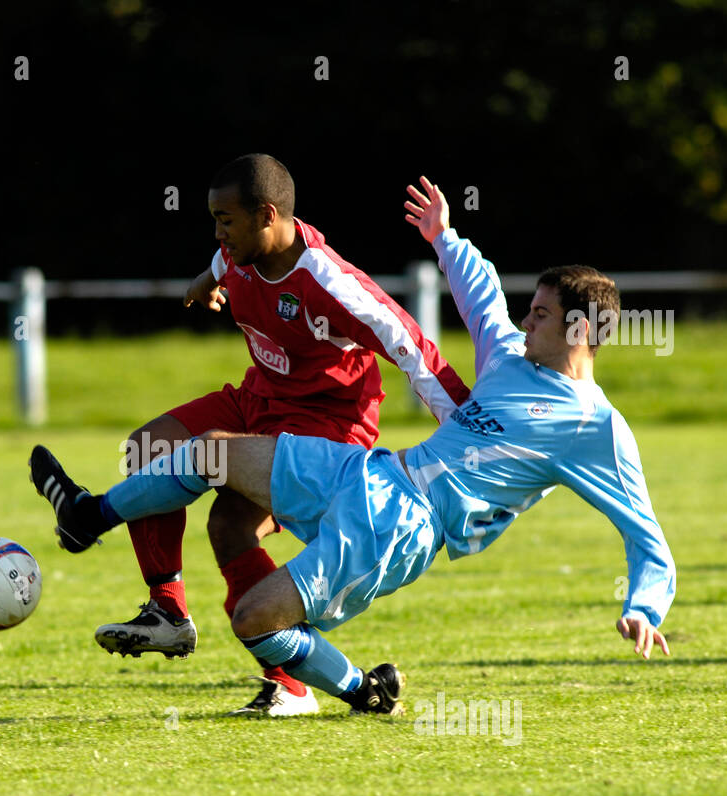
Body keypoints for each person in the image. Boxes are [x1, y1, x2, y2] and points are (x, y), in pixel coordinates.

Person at [30, 176, 676, 714]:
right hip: (369, 471)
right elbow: (479, 292)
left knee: (255, 620)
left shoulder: (596, 428)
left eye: (538, 313)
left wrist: (643, 606)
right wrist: (444, 235)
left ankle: (358, 689)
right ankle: (89, 516)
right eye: (529, 308)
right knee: (211, 452)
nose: (523, 319)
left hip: (402, 528)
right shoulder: (511, 355)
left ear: (580, 330)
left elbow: (646, 536)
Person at [91, 153, 470, 717]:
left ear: (268, 216)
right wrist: (203, 283)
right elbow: (222, 264)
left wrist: (469, 435)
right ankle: (167, 612)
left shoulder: (330, 284)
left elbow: (413, 347)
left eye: (226, 219)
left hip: (325, 427)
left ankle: (290, 686)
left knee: (228, 524)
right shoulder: (239, 252)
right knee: (147, 449)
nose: (218, 232)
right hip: (258, 400)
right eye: (214, 220)